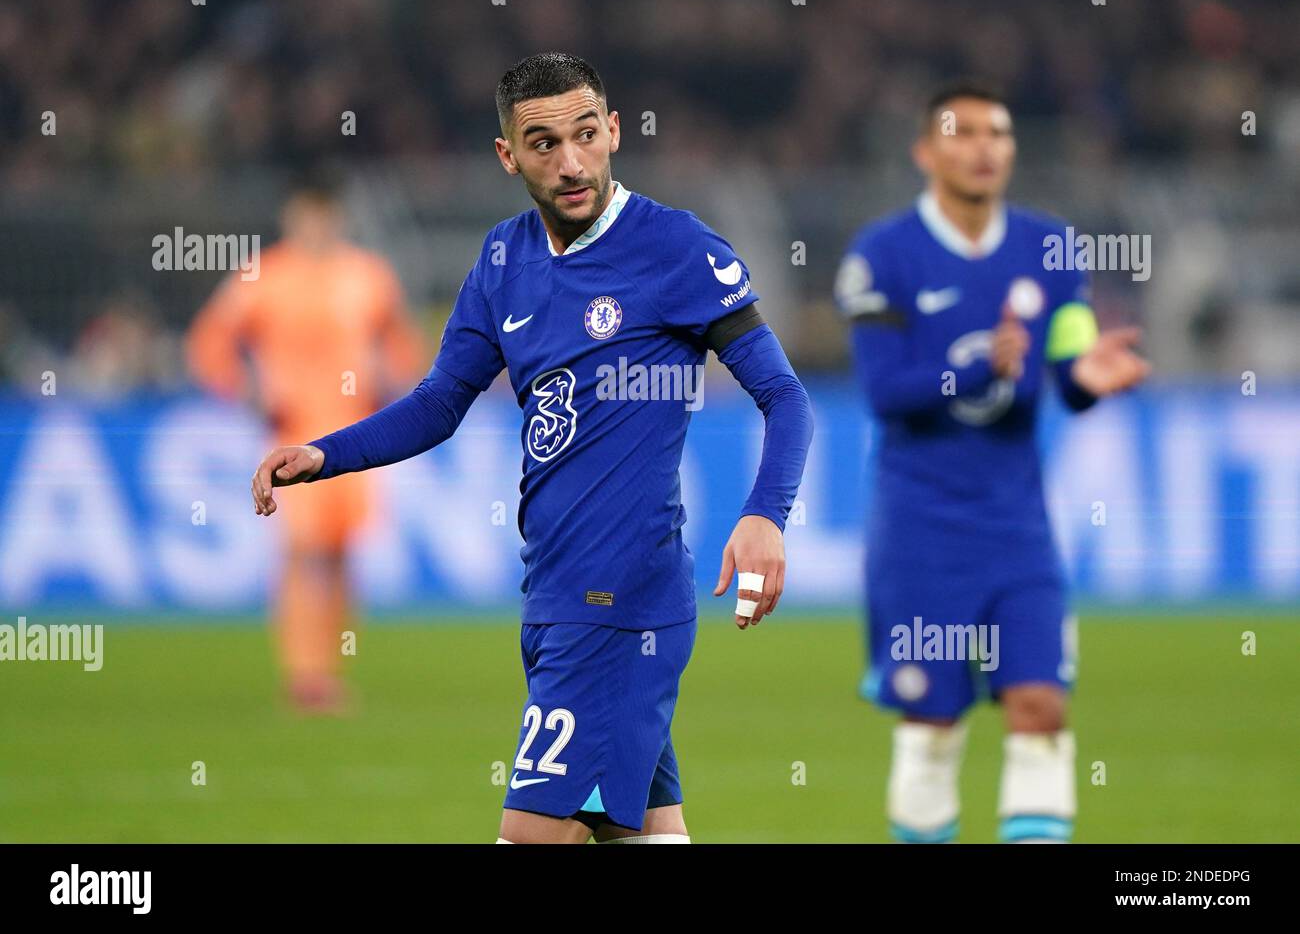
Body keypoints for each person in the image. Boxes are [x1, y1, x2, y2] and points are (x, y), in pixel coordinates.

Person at [250, 53, 813, 843]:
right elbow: (441, 402)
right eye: (543, 143)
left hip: (621, 602)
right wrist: (325, 453)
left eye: (587, 134)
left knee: (531, 836)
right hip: (552, 593)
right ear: (507, 155)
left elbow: (784, 396)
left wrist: (766, 514)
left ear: (614, 131)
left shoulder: (676, 248)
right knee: (645, 830)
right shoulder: (503, 260)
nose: (572, 161)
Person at [836, 80, 1149, 843]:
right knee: (932, 724)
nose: (984, 147)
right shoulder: (881, 255)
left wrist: (1085, 377)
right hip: (921, 530)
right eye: (964, 131)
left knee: (1041, 709)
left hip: (1018, 530)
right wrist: (979, 370)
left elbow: (1070, 367)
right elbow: (885, 393)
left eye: (999, 133)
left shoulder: (1051, 247)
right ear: (925, 151)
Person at [188, 178, 425, 713]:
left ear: (335, 218)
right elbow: (208, 342)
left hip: (354, 436)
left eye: (323, 217)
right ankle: (303, 673)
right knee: (301, 552)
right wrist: (245, 391)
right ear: (291, 219)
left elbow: (402, 347)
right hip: (292, 435)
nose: (315, 228)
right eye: (306, 218)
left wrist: (397, 392)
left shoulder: (367, 276)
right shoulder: (263, 276)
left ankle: (328, 670)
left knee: (342, 553)